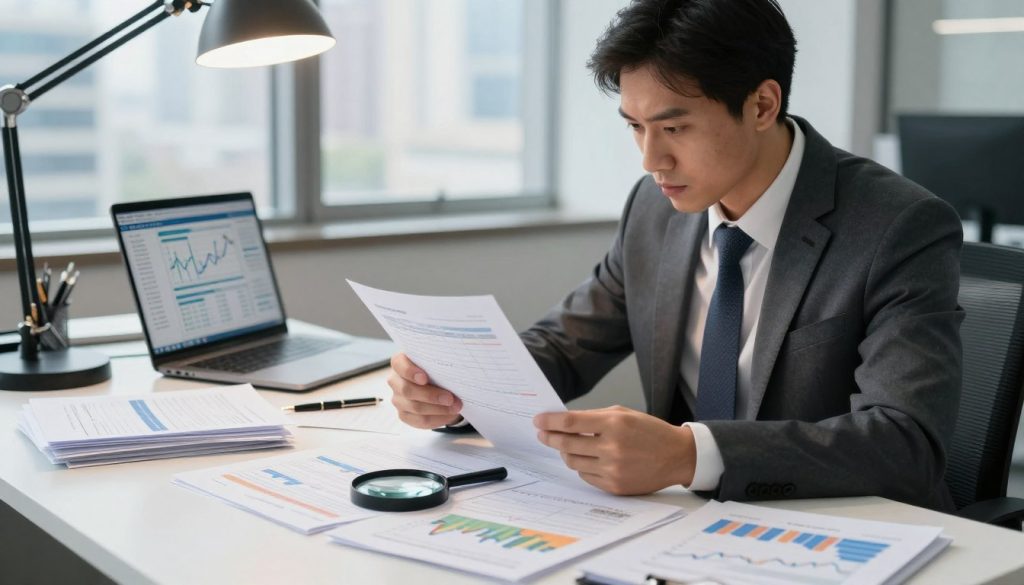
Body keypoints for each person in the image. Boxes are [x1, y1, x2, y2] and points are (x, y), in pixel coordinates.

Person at [387, 0, 963, 511]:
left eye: (675, 127)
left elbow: (904, 443)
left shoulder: (898, 225)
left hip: (838, 528)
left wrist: (690, 456)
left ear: (762, 104)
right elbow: (567, 345)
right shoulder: (655, 207)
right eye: (635, 127)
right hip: (678, 528)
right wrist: (456, 391)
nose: (650, 159)